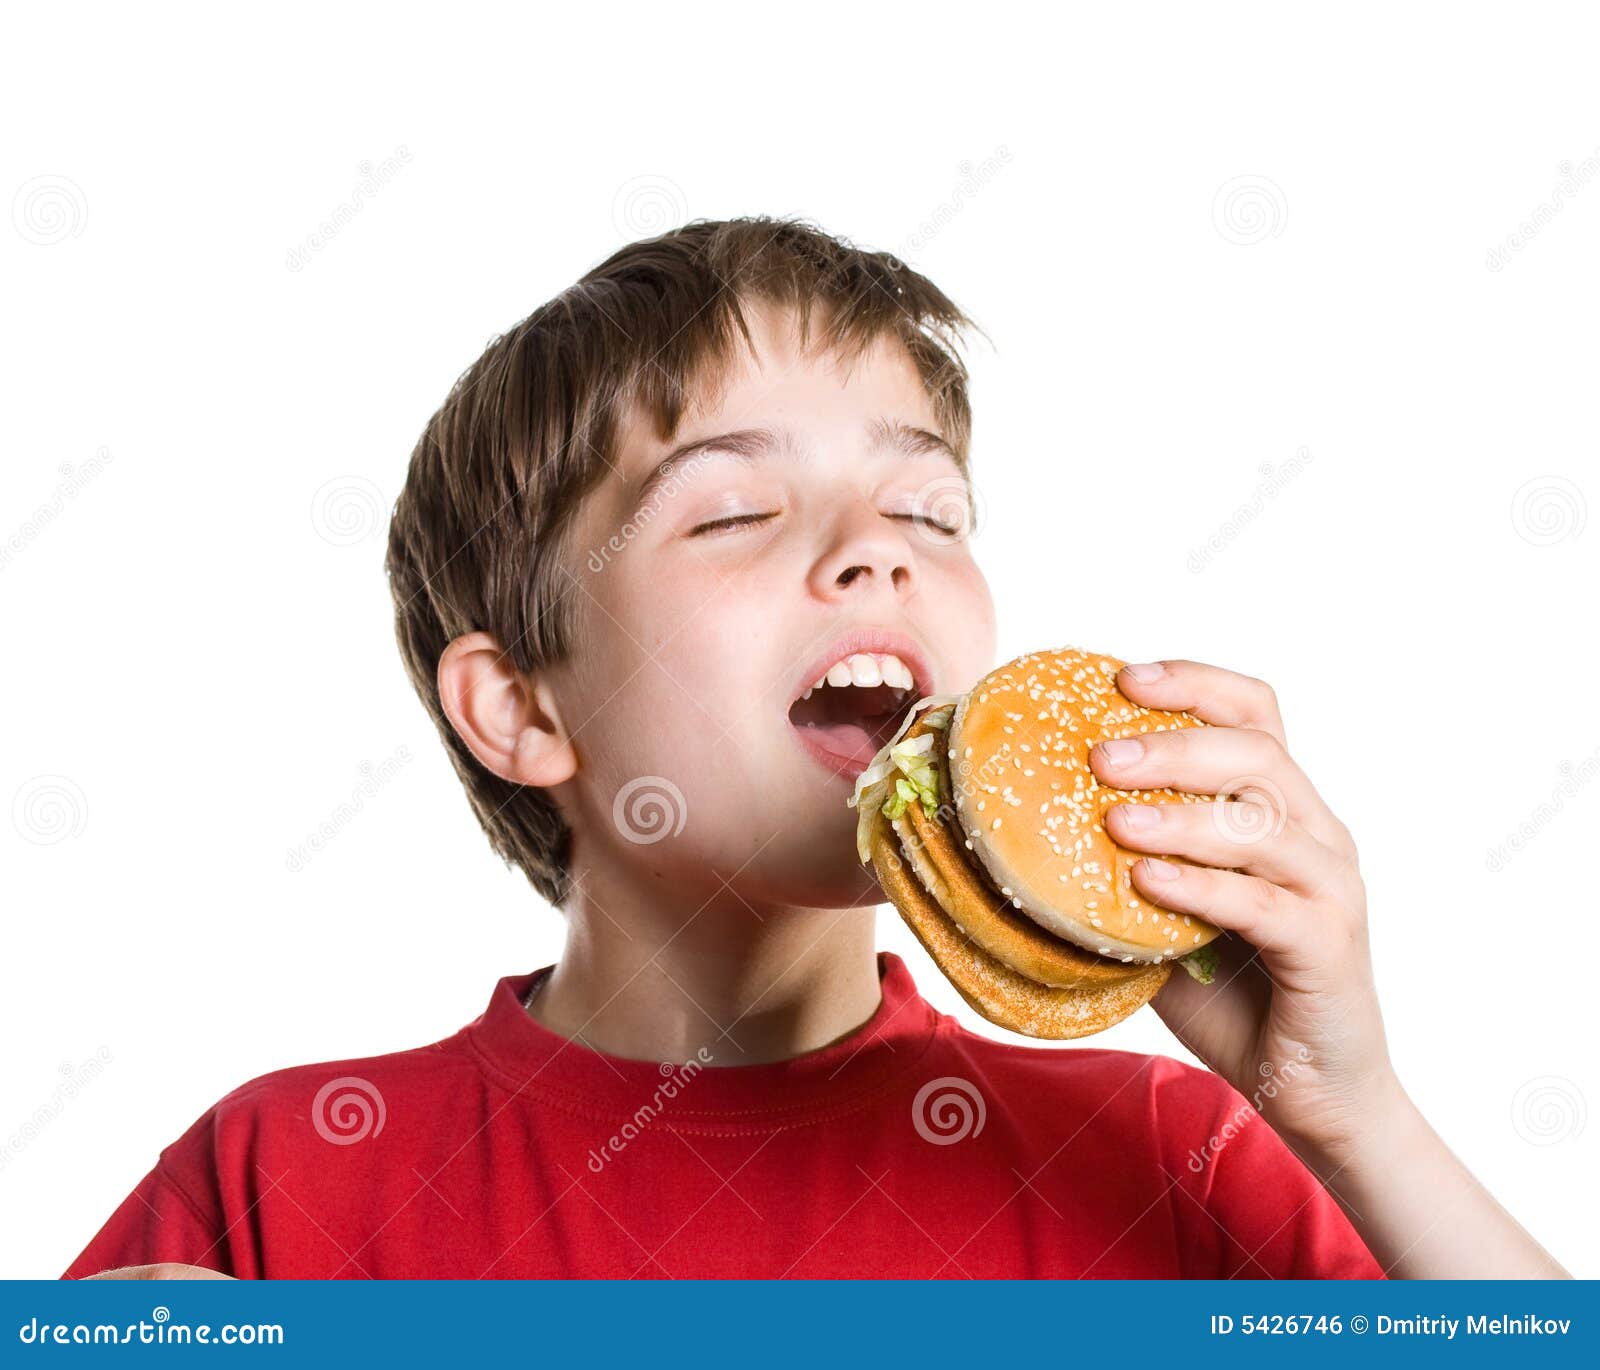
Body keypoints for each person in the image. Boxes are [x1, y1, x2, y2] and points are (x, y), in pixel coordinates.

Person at [68, 218, 1567, 1279]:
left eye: (930, 512)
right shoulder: (280, 1185)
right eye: (735, 512)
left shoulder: (1172, 1148)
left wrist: (1350, 1111)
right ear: (523, 706)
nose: (877, 557)